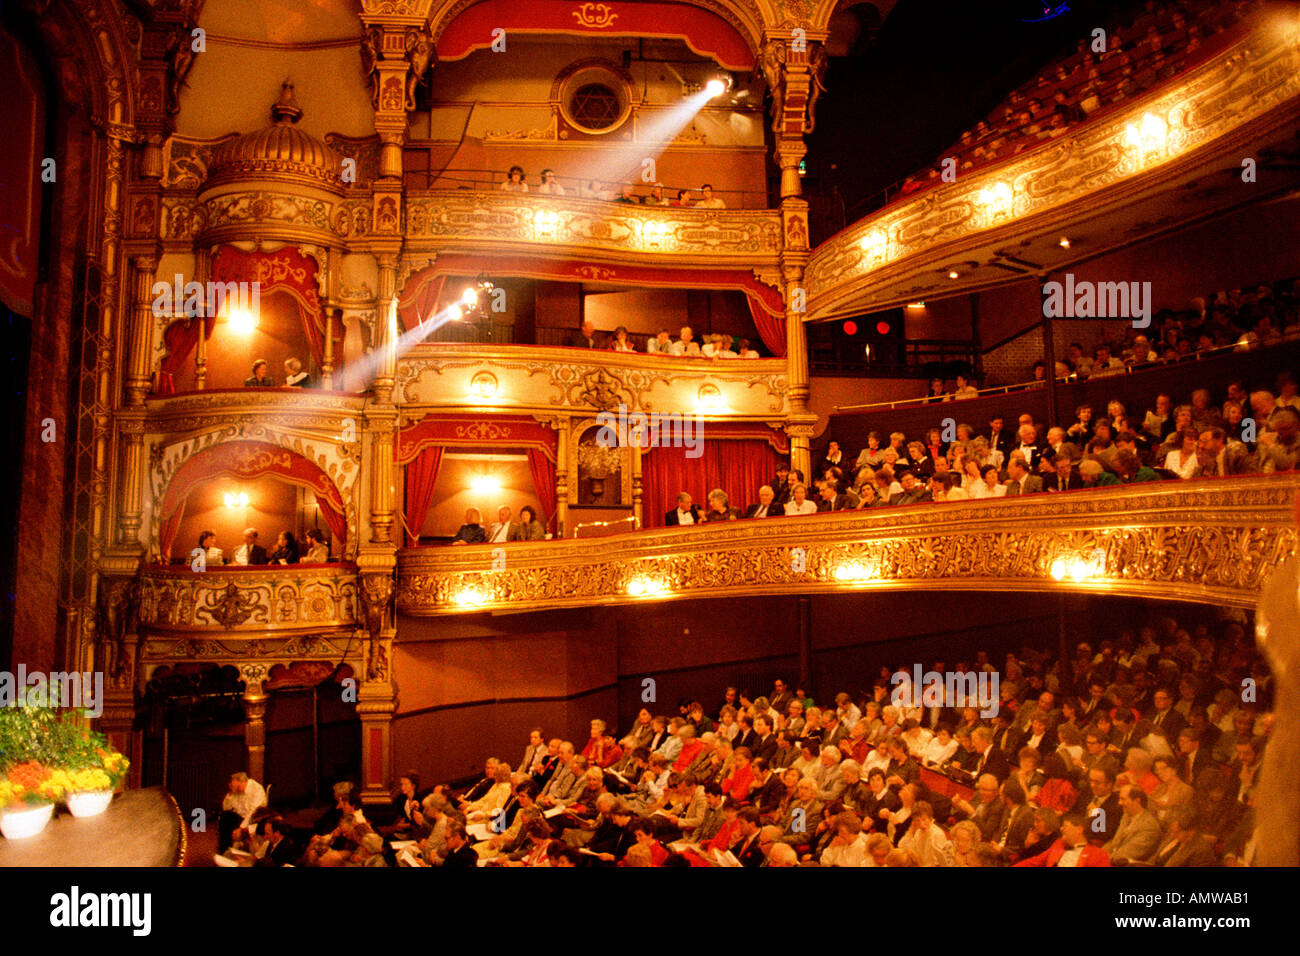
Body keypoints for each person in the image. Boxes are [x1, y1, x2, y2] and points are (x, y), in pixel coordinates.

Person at [218, 771, 267, 852]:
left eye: (237, 786)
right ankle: (225, 850)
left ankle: (229, 849)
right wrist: (231, 794)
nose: (236, 789)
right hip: (240, 817)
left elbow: (253, 813)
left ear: (243, 782)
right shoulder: (236, 790)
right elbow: (226, 807)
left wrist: (241, 828)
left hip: (254, 819)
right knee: (225, 816)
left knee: (228, 825)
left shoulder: (256, 789)